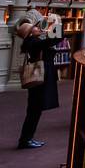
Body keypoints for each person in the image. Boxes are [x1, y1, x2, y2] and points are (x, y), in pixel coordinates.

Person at [16, 18, 60, 150]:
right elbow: (54, 40)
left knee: (34, 110)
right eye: (34, 27)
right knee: (34, 110)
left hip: (39, 77)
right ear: (30, 32)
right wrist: (56, 25)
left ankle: (27, 138)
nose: (38, 28)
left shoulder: (33, 42)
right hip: (40, 78)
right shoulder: (34, 42)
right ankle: (26, 140)